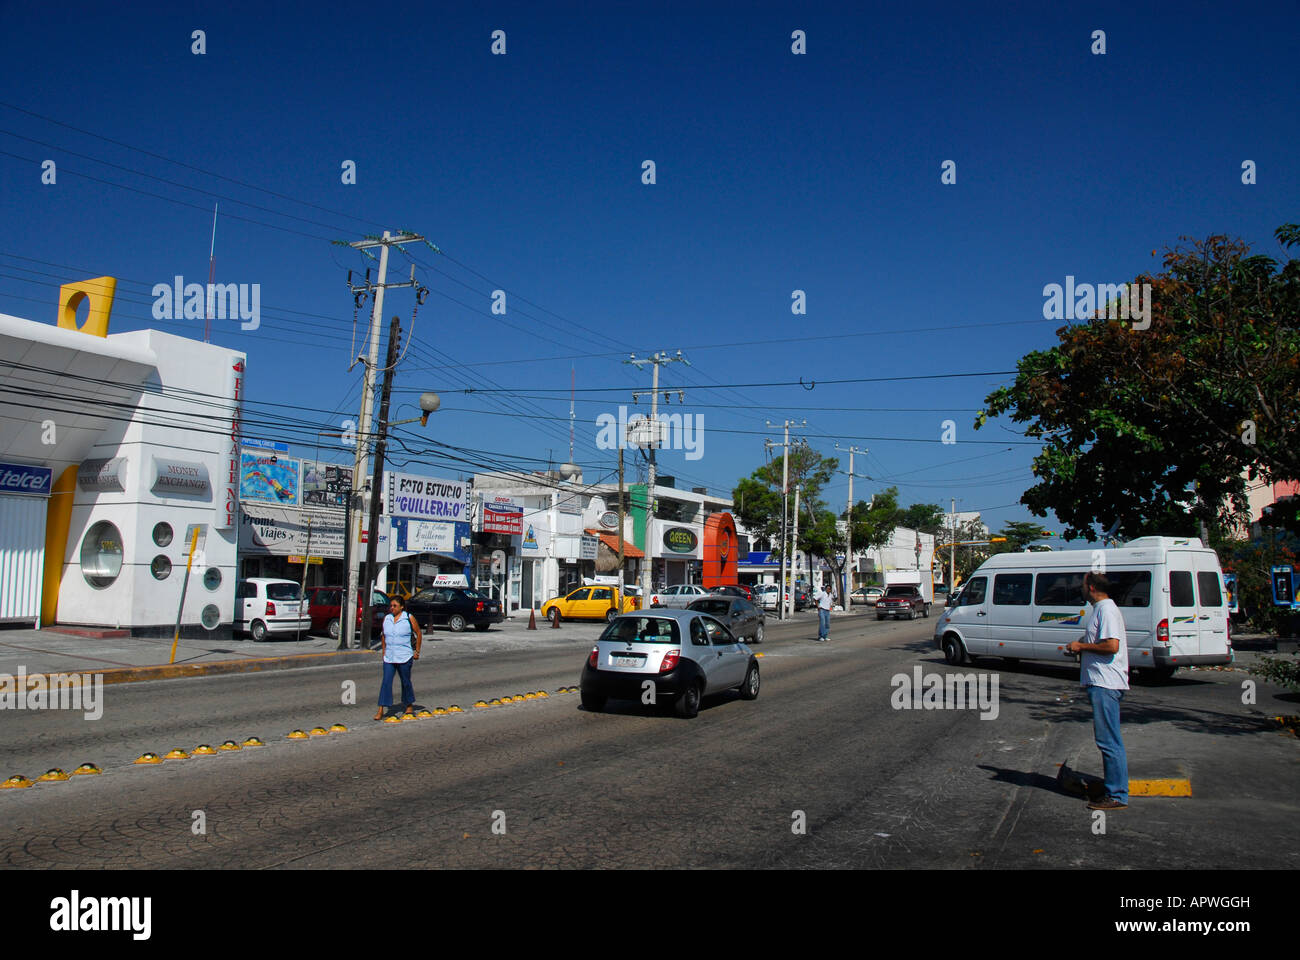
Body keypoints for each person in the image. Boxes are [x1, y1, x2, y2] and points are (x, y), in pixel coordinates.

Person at [1065, 572, 1129, 810]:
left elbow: (1111, 646)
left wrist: (1081, 645)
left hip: (1106, 683)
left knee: (1108, 741)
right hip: (1102, 682)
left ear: (1091, 588)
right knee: (1109, 740)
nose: (1080, 589)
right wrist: (1081, 648)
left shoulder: (1106, 610)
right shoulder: (1101, 609)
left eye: (1083, 585)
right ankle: (1114, 788)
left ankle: (1117, 794)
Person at [374, 595, 422, 721]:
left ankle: (409, 705)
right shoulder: (387, 619)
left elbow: (418, 633)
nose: (392, 608)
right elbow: (384, 635)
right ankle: (381, 709)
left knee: (405, 682)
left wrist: (417, 651)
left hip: (404, 656)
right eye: (391, 606)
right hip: (389, 657)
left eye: (395, 606)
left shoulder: (408, 617)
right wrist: (384, 651)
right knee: (386, 682)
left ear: (401, 607)